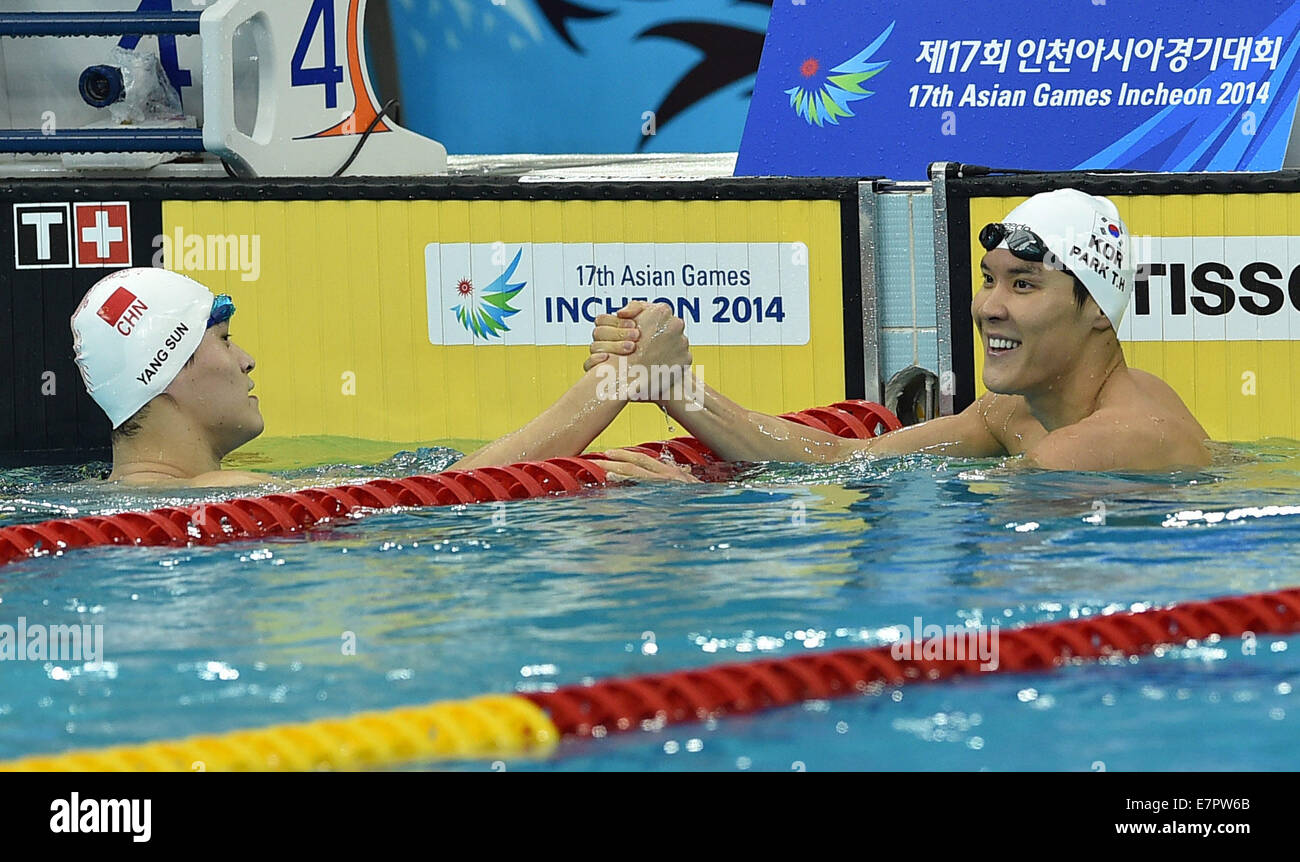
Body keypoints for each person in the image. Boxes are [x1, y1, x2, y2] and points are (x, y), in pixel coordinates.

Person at [583, 188, 1211, 471]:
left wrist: (712, 496)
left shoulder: (1097, 447)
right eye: (989, 279)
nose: (989, 306)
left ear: (1098, 309)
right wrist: (675, 387)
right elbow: (846, 458)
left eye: (1024, 285)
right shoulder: (1014, 415)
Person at [71, 268, 693, 487]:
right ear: (170, 372)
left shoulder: (98, 499)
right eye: (225, 340)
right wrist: (615, 382)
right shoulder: (227, 494)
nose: (246, 360)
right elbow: (448, 494)